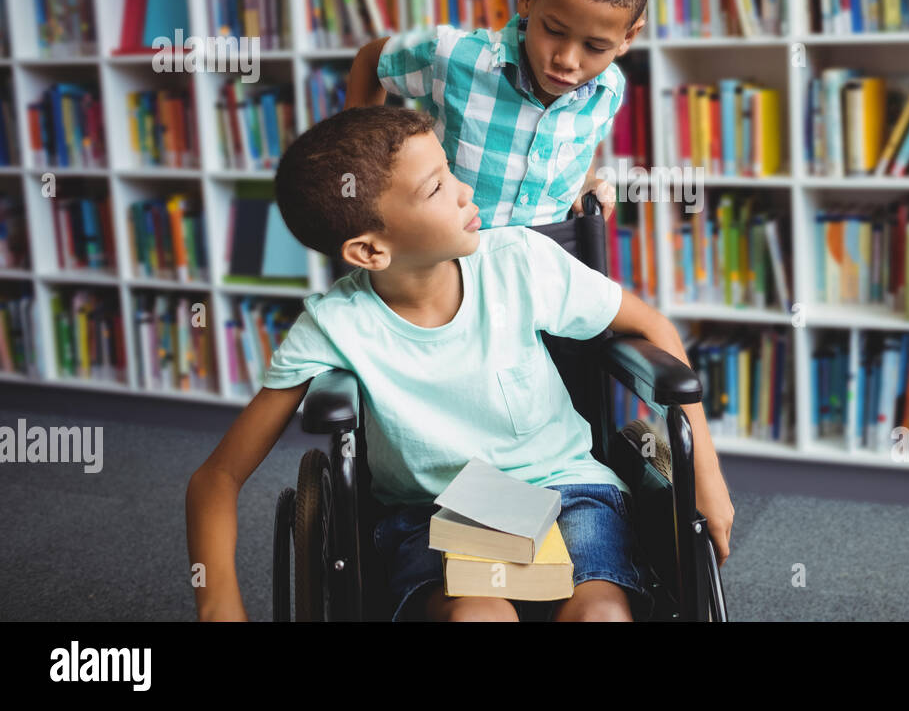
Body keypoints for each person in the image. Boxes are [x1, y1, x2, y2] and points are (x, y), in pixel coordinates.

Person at [186, 105, 734, 621]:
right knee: (479, 615)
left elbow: (652, 327)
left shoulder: (518, 261)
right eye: (437, 187)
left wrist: (706, 480)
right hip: (435, 515)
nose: (465, 191)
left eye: (449, 171)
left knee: (602, 614)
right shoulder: (336, 326)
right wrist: (220, 606)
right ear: (370, 251)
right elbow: (216, 477)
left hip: (569, 491)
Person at [344, 0, 653, 228]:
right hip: (449, 263)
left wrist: (586, 180)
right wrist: (359, 161)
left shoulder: (608, 89)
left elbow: (573, 150)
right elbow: (372, 60)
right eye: (554, 30)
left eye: (595, 47)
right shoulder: (453, 56)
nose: (567, 60)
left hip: (540, 265)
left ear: (628, 37)